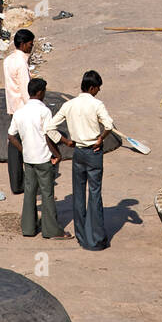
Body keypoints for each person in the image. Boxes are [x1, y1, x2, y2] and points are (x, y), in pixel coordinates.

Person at [47, 70, 116, 252]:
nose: (98, 91)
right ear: (92, 87)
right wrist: (102, 138)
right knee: (94, 193)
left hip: (78, 152)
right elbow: (109, 125)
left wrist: (65, 141)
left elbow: (49, 127)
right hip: (93, 152)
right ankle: (95, 239)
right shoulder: (96, 104)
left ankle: (81, 235)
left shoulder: (69, 105)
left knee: (78, 193)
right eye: (98, 88)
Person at [7, 78, 72, 241]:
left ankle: (28, 227)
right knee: (47, 193)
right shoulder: (44, 111)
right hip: (43, 158)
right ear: (40, 92)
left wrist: (23, 150)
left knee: (29, 192)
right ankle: (51, 230)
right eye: (44, 91)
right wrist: (58, 154)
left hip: (28, 159)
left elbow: (11, 135)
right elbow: (49, 133)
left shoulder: (20, 112)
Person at [4, 28, 34, 195]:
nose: (32, 47)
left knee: (14, 143)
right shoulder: (21, 63)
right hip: (22, 108)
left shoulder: (8, 60)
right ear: (23, 45)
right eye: (30, 44)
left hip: (13, 106)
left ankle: (16, 182)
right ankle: (22, 182)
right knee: (24, 145)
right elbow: (24, 89)